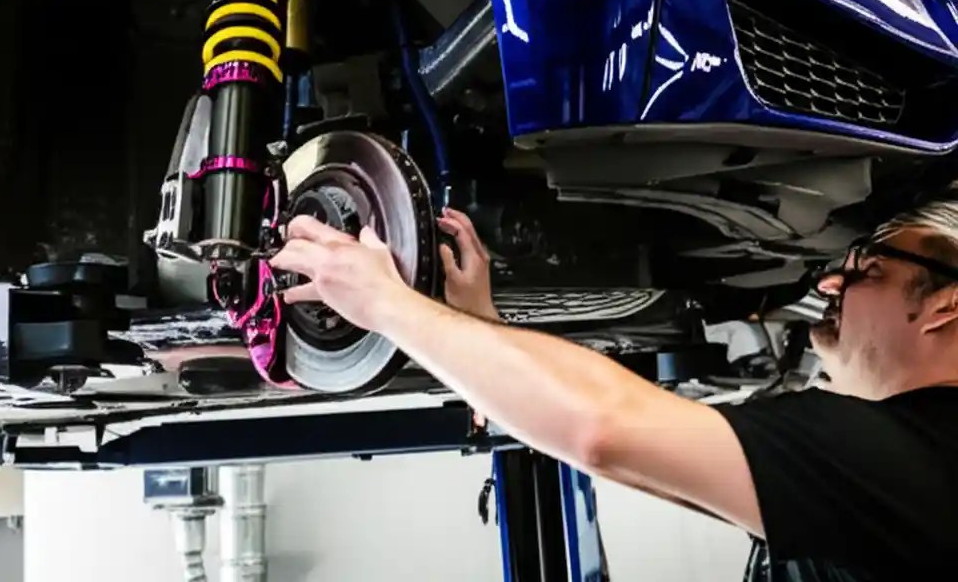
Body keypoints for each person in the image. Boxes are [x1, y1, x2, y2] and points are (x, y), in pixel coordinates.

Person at [269, 198, 958, 580]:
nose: (832, 283)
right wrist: (478, 331)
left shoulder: (928, 468)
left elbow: (607, 430)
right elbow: (658, 465)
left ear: (945, 306)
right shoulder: (910, 472)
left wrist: (388, 304)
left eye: (867, 267)